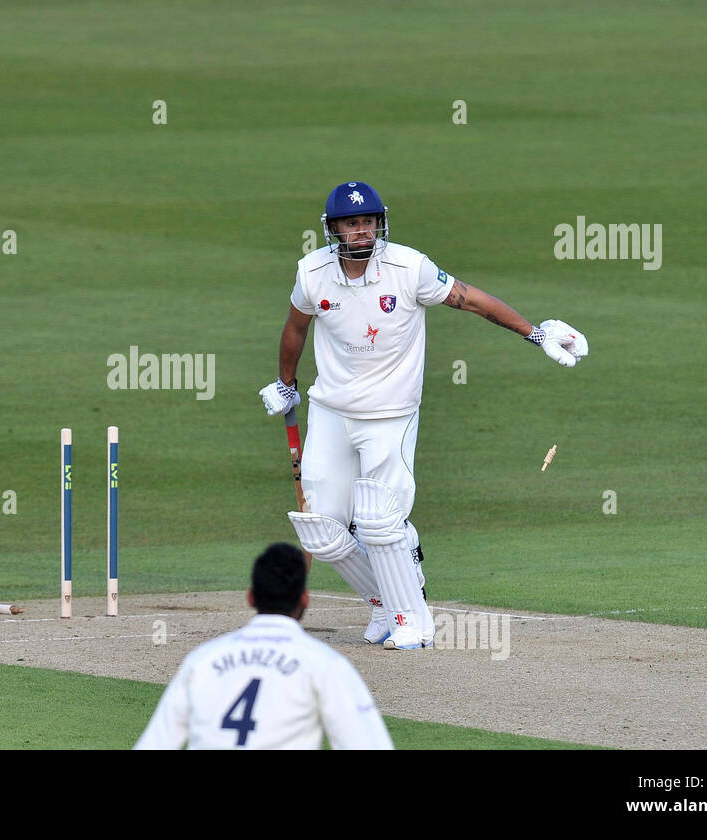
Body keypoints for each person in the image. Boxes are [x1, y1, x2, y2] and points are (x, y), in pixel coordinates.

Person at [260, 181, 588, 650]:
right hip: (330, 409)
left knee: (379, 519)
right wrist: (285, 386)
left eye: (368, 222)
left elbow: (471, 299)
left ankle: (412, 619)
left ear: (380, 223)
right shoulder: (312, 272)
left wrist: (534, 334)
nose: (362, 232)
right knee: (323, 529)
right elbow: (295, 328)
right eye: (352, 224)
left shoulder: (409, 267)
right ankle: (380, 601)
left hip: (390, 413)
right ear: (333, 229)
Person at [134, 543, 394, 750]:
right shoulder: (325, 665)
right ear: (305, 599)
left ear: (250, 597)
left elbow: (156, 742)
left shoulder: (202, 660)